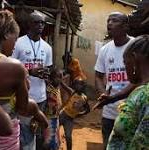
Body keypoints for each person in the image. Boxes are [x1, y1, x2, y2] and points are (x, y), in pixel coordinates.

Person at [94, 12, 136, 149]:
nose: (109, 23)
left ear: (125, 26)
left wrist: (114, 97)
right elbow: (98, 76)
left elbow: (139, 79)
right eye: (108, 20)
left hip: (131, 110)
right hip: (109, 112)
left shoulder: (136, 46)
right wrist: (103, 94)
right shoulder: (105, 50)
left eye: (114, 20)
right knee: (108, 145)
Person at [11, 10, 53, 149]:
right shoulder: (18, 43)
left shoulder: (47, 47)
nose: (40, 25)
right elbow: (10, 67)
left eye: (42, 23)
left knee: (36, 129)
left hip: (40, 97)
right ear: (29, 24)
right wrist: (30, 71)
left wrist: (47, 74)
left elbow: (49, 70)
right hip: (23, 97)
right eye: (36, 22)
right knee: (24, 133)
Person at [107, 35, 149, 149]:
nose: (125, 69)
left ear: (134, 59)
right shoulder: (141, 91)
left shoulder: (146, 96)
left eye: (125, 63)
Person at [0, 10, 28, 149]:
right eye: (15, 39)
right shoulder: (14, 67)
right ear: (5, 34)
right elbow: (23, 108)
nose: (15, 45)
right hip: (5, 141)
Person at [59, 79, 90, 150]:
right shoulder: (72, 92)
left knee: (68, 136)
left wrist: (79, 114)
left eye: (80, 85)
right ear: (74, 86)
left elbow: (88, 110)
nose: (78, 86)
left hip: (70, 119)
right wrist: (60, 79)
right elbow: (64, 86)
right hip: (63, 115)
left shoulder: (84, 98)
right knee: (54, 130)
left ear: (83, 86)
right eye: (77, 84)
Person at [43, 67, 62, 150]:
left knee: (55, 138)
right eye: (56, 77)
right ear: (51, 78)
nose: (59, 80)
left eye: (60, 77)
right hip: (49, 118)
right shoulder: (48, 89)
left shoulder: (57, 88)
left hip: (56, 117)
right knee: (49, 139)